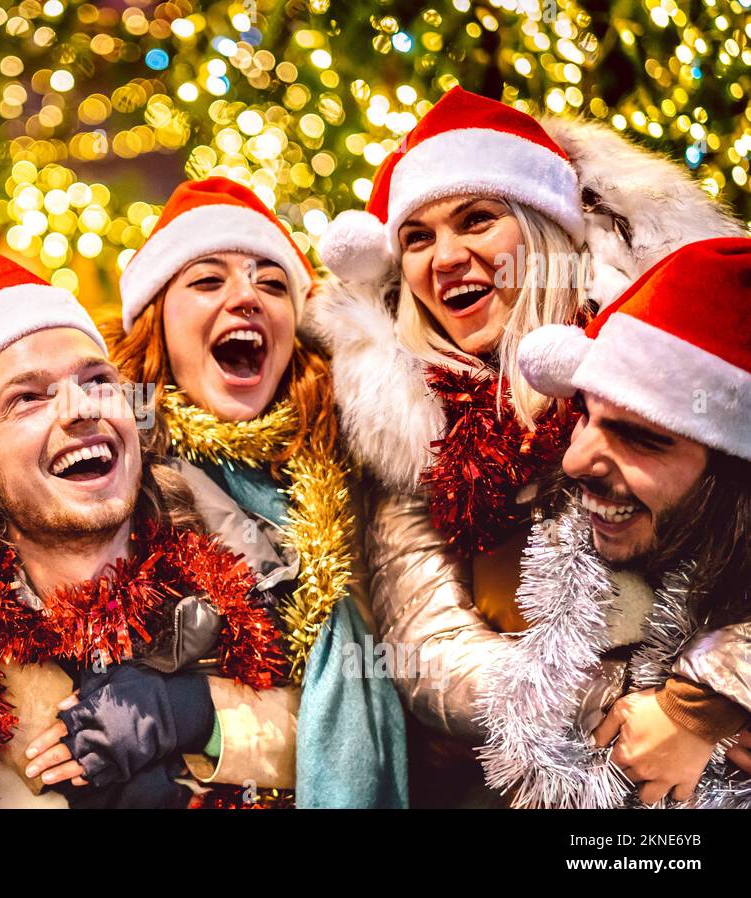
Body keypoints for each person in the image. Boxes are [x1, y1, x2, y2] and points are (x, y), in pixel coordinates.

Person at [309, 86, 747, 804]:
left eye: (477, 219)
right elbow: (428, 648)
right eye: (416, 237)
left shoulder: (682, 353)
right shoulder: (407, 430)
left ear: (545, 230)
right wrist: (632, 707)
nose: (444, 258)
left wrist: (709, 703)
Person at [0, 248, 296, 808]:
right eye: (28, 398)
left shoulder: (254, 562)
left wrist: (194, 711)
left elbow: (350, 734)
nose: (81, 409)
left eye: (98, 380)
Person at [106, 177, 407, 807]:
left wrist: (199, 715)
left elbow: (403, 678)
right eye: (208, 280)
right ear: (155, 322)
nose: (246, 295)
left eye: (271, 283)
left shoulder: (356, 465)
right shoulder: (114, 478)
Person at [479, 237, 751, 808]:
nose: (575, 461)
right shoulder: (534, 543)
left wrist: (707, 711)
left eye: (645, 438)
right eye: (587, 414)